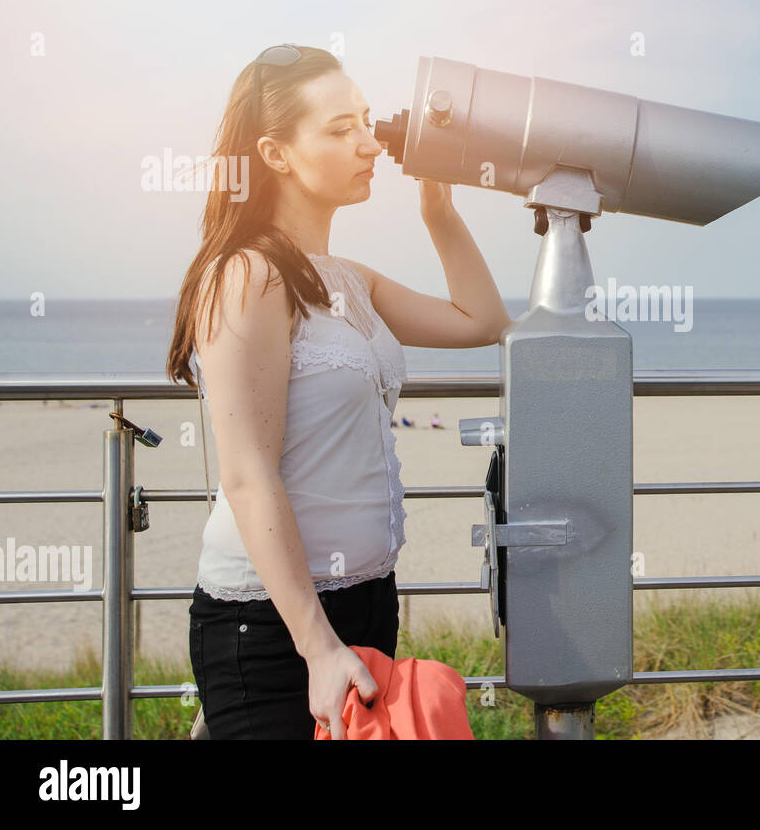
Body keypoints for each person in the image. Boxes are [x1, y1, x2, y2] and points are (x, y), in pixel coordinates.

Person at [165, 43, 512, 740]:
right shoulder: (247, 276)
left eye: (364, 120)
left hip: (367, 598)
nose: (367, 142)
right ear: (276, 154)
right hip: (272, 623)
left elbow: (483, 319)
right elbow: (247, 473)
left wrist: (437, 208)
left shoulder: (349, 279)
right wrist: (316, 645)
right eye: (338, 129)